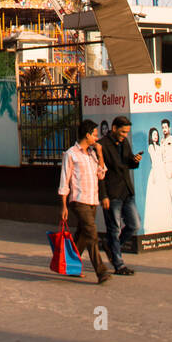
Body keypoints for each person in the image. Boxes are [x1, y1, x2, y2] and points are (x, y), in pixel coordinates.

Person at [59, 119, 111, 283]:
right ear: (87, 135)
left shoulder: (92, 154)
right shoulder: (71, 154)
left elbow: (101, 174)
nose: (96, 138)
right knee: (92, 234)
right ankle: (101, 271)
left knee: (82, 236)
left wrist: (100, 154)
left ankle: (70, 265)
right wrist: (64, 206)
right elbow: (64, 180)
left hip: (92, 200)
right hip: (78, 200)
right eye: (94, 134)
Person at [98, 115, 141, 275]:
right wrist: (103, 196)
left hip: (126, 190)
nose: (124, 135)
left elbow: (129, 162)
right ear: (114, 129)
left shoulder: (125, 143)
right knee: (114, 229)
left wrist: (135, 160)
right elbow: (100, 173)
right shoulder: (102, 146)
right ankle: (119, 264)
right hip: (112, 192)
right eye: (122, 132)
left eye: (127, 132)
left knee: (134, 224)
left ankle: (111, 246)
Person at [143, 120, 172, 230]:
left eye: (166, 127)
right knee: (164, 195)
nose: (164, 129)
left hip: (170, 169)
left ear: (169, 128)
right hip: (161, 171)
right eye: (163, 127)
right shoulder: (161, 141)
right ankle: (164, 219)